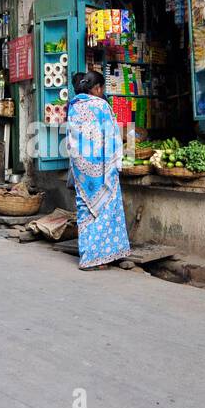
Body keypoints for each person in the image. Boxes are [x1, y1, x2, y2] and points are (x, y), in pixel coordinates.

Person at [66, 71, 131, 269]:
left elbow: (73, 139)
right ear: (98, 88)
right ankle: (98, 257)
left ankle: (94, 255)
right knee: (107, 209)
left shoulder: (73, 106)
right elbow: (111, 137)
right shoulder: (101, 105)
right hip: (102, 169)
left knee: (86, 211)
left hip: (82, 169)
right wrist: (117, 161)